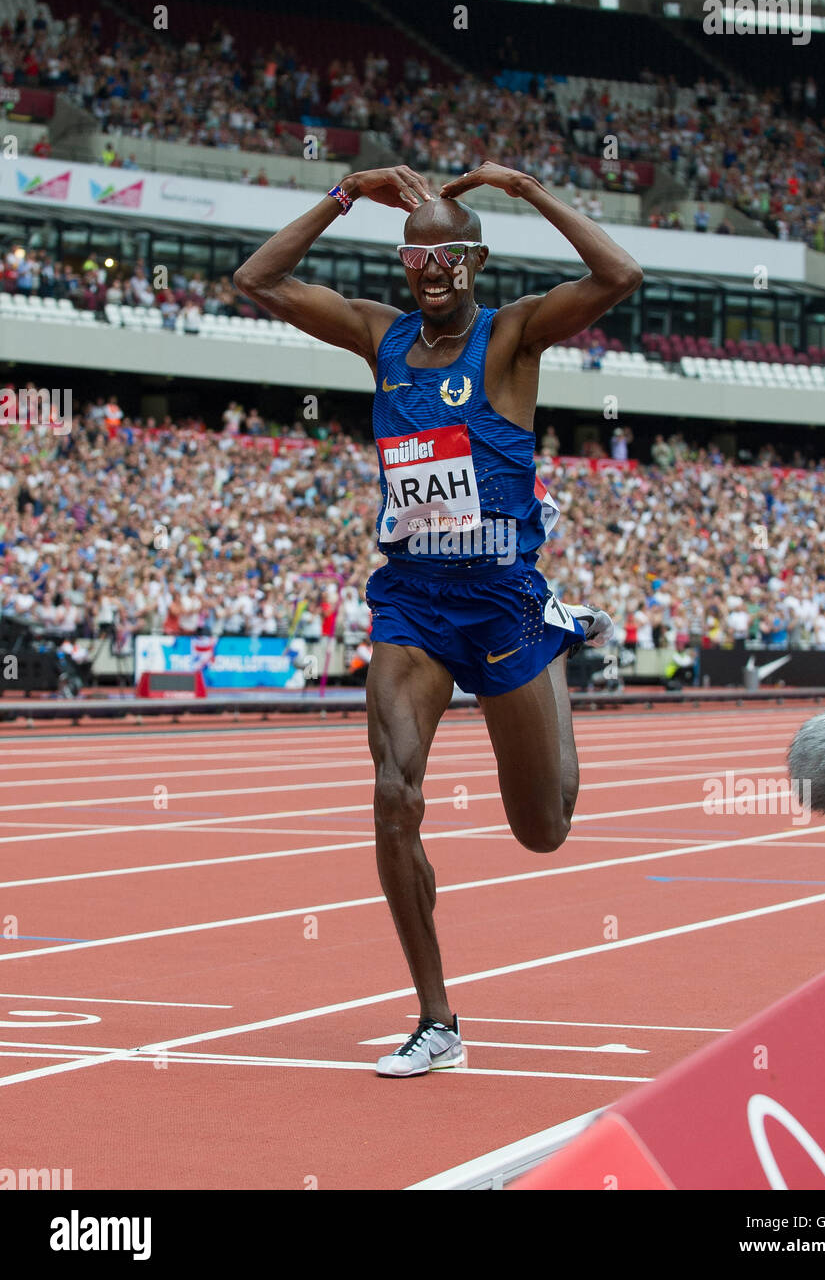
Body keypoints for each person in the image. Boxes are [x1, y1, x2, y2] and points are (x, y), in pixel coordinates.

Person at [235, 159, 642, 1078]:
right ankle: (436, 1017)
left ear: (478, 261)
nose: (438, 268)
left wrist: (532, 190)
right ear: (406, 265)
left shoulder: (511, 339)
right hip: (414, 598)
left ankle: (554, 645)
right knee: (393, 788)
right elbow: (257, 281)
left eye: (455, 253)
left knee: (544, 828)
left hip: (501, 592)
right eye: (422, 254)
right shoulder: (379, 337)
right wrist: (343, 192)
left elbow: (621, 278)